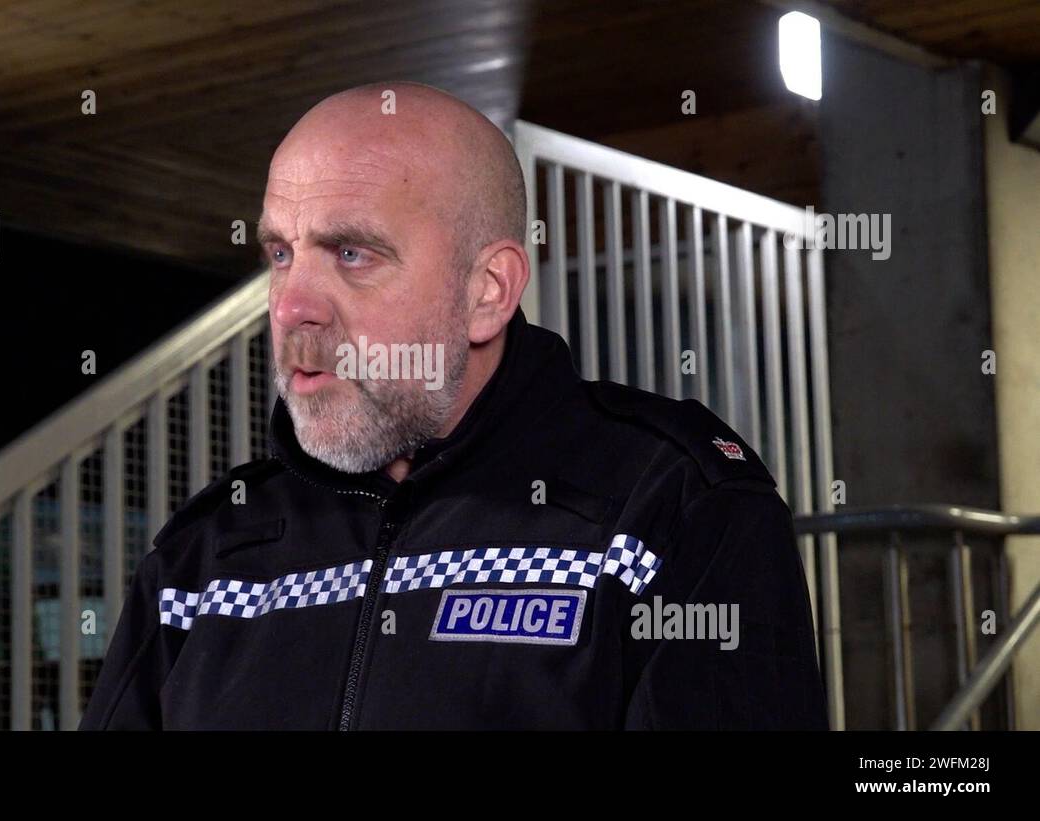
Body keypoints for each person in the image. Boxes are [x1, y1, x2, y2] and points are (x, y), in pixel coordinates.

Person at [79, 81, 828, 730]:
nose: (291, 306)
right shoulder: (207, 556)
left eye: (352, 253)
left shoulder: (670, 507)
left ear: (487, 292)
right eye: (280, 253)